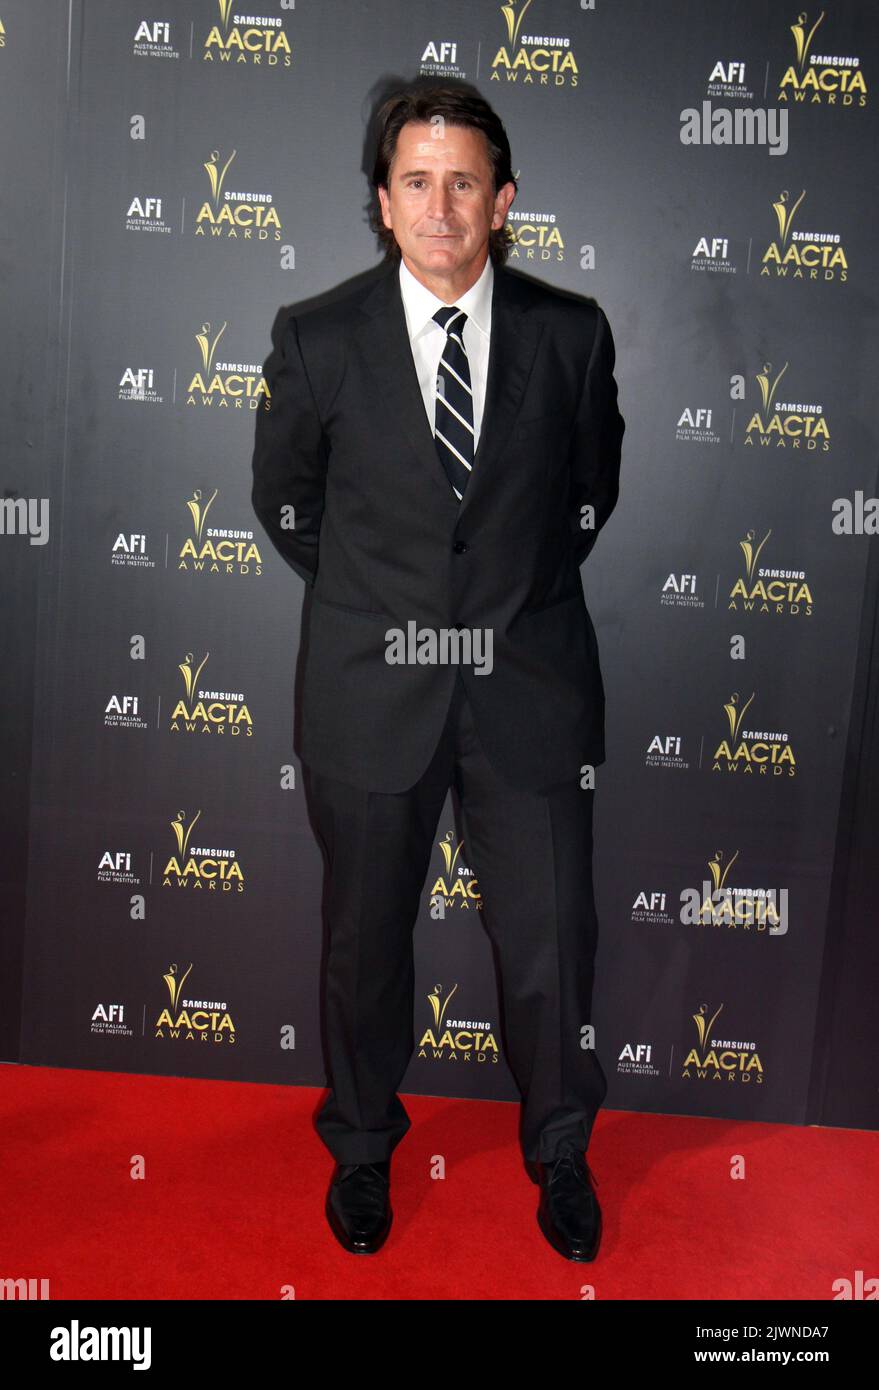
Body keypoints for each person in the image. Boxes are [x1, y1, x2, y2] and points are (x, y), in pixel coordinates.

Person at [251, 80, 625, 1262]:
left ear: (503, 201)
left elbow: (587, 496)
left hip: (530, 687)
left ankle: (561, 1149)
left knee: (552, 942)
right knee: (363, 944)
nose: (441, 205)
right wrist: (390, 608)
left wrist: (502, 605)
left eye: (465, 181)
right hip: (374, 694)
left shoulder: (572, 334)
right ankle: (363, 1148)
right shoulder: (316, 337)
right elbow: (285, 505)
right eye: (417, 180)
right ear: (383, 199)